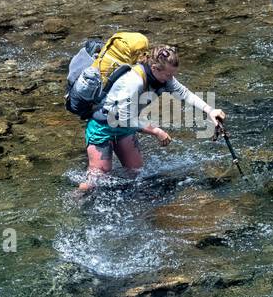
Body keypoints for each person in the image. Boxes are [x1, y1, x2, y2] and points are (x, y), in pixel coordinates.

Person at [79, 45, 227, 191]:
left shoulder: (164, 77)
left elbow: (184, 93)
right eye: (168, 75)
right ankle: (77, 198)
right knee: (97, 181)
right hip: (103, 126)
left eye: (172, 74)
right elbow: (124, 118)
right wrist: (156, 131)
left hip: (125, 128)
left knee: (136, 174)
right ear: (155, 68)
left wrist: (210, 110)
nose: (171, 78)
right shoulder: (134, 82)